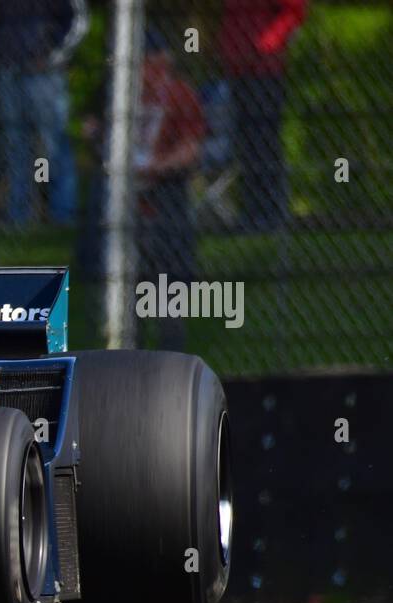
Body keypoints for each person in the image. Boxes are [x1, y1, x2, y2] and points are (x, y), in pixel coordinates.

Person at [136, 30, 207, 350]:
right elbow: (91, 130)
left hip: (165, 201)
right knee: (129, 294)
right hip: (129, 205)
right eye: (147, 67)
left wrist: (157, 167)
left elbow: (191, 149)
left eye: (159, 66)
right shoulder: (121, 96)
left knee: (168, 295)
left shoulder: (179, 95)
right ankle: (125, 361)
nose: (153, 75)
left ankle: (171, 362)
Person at [0, 0, 88, 227]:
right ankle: (18, 218)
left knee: (54, 145)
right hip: (9, 71)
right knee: (17, 147)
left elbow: (78, 21)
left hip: (45, 75)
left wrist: (52, 57)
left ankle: (62, 215)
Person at [219, 0, 308, 231]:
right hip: (238, 69)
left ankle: (270, 213)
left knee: (264, 139)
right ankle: (251, 212)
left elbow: (295, 10)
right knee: (246, 142)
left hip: (265, 71)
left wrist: (269, 43)